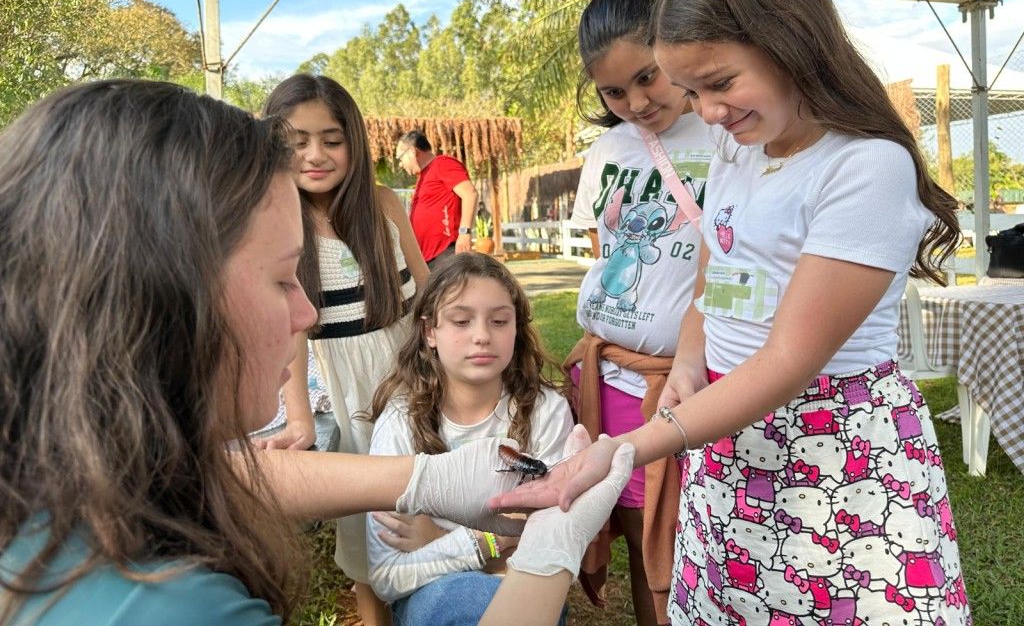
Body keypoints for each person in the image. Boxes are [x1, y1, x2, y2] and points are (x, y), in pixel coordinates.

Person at [0, 79, 633, 626]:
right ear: (166, 297)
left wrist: (429, 478)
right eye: (284, 281)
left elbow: (218, 476)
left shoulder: (67, 499)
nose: (307, 314)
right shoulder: (183, 607)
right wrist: (553, 547)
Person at [493, 0, 972, 626]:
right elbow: (717, 267)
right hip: (729, 435)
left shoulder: (864, 167)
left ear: (791, 39)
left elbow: (786, 362)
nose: (710, 112)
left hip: (835, 451)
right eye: (693, 90)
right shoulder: (739, 145)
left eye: (719, 83)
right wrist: (691, 359)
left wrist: (626, 449)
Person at [566, 0, 714, 625]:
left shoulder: (725, 134)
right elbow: (607, 253)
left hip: (688, 384)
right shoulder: (607, 151)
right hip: (609, 380)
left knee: (688, 540)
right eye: (614, 92)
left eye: (647, 77)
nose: (636, 102)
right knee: (632, 530)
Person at [260, 74, 429, 626]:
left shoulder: (383, 204)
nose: (315, 154)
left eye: (331, 139)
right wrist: (300, 416)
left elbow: (425, 289)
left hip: (409, 370)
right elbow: (292, 329)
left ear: (354, 141)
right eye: (296, 141)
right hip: (344, 386)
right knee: (365, 522)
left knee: (428, 491)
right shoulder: (274, 219)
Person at [365, 252, 573, 625]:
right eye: (461, 321)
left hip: (526, 590)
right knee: (468, 602)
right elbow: (386, 576)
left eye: (498, 321)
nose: (481, 336)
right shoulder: (398, 423)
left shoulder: (547, 411)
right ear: (430, 332)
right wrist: (494, 543)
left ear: (516, 328)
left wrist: (436, 540)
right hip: (434, 603)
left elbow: (556, 545)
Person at [395, 130, 478, 270]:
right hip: (428, 257)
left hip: (445, 252)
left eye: (400, 158)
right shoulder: (424, 176)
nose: (400, 165)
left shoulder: (442, 164)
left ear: (413, 152)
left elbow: (470, 193)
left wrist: (464, 234)